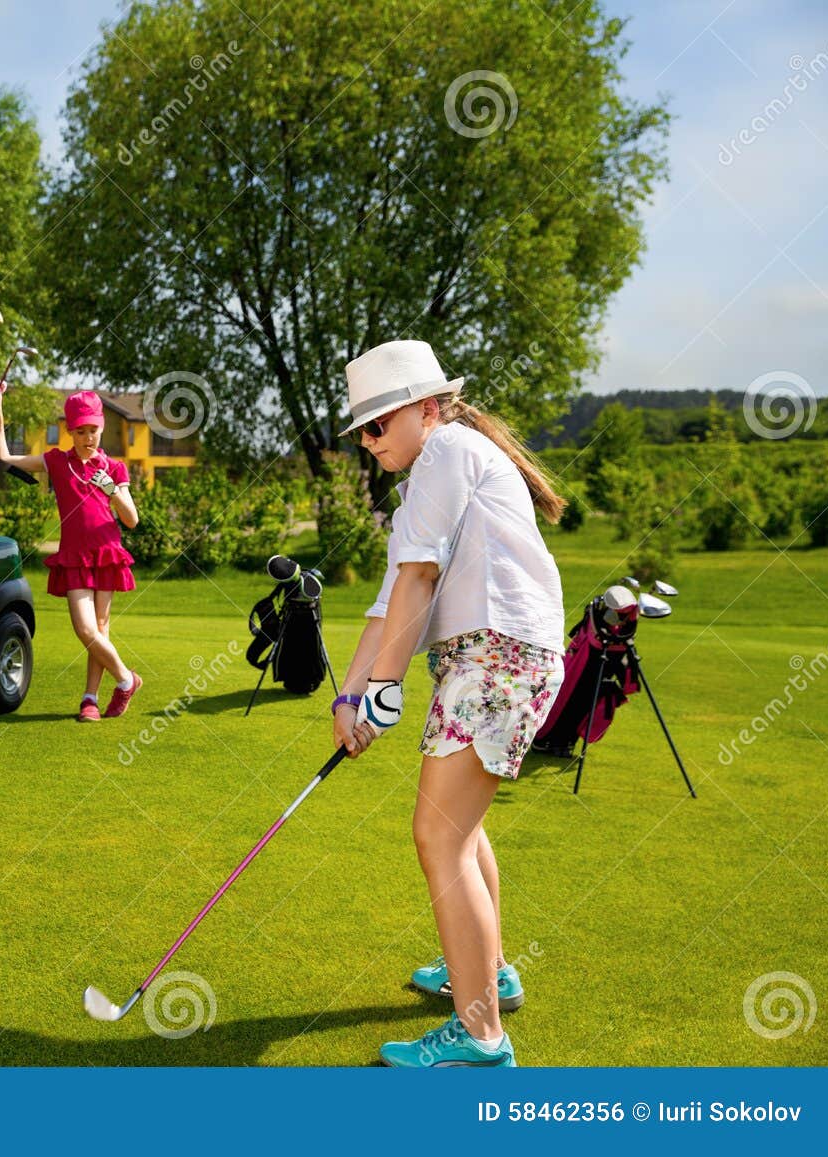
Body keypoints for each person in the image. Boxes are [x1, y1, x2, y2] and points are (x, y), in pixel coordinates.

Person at [329, 340, 566, 1068]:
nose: (370, 442)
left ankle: (480, 1034)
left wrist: (385, 687)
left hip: (499, 653)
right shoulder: (422, 480)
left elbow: (420, 579)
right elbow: (389, 598)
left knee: (439, 837)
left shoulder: (446, 452)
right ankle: (487, 971)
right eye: (361, 431)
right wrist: (351, 692)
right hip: (484, 655)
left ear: (427, 408)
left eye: (379, 424)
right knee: (461, 830)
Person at [0, 389, 142, 721]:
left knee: (100, 628)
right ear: (70, 430)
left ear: (101, 429)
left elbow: (131, 519)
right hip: (74, 555)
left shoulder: (114, 468)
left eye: (94, 430)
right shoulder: (57, 461)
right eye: (81, 430)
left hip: (107, 552)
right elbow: (4, 459)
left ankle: (90, 699)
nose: (88, 437)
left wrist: (111, 490)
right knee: (86, 629)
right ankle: (127, 679)